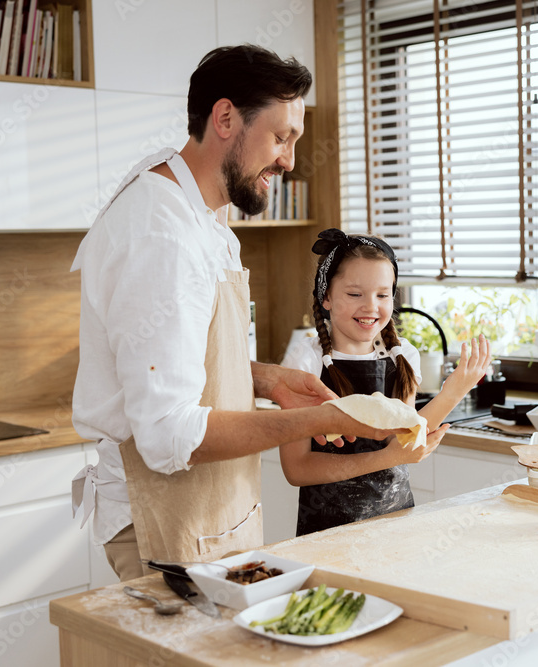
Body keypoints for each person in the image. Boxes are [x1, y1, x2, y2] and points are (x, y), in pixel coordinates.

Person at [69, 45, 430, 582]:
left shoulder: (202, 219)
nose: (288, 160)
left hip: (210, 513)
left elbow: (178, 358)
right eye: (280, 136)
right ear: (225, 118)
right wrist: (318, 419)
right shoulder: (160, 234)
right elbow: (169, 435)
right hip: (163, 522)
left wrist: (266, 379)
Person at [281, 228, 491, 536]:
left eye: (382, 295)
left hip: (397, 523)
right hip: (326, 531)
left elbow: (405, 438)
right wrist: (386, 458)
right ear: (325, 296)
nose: (370, 306)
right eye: (355, 294)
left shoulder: (402, 355)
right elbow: (296, 468)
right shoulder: (306, 361)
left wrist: (456, 389)